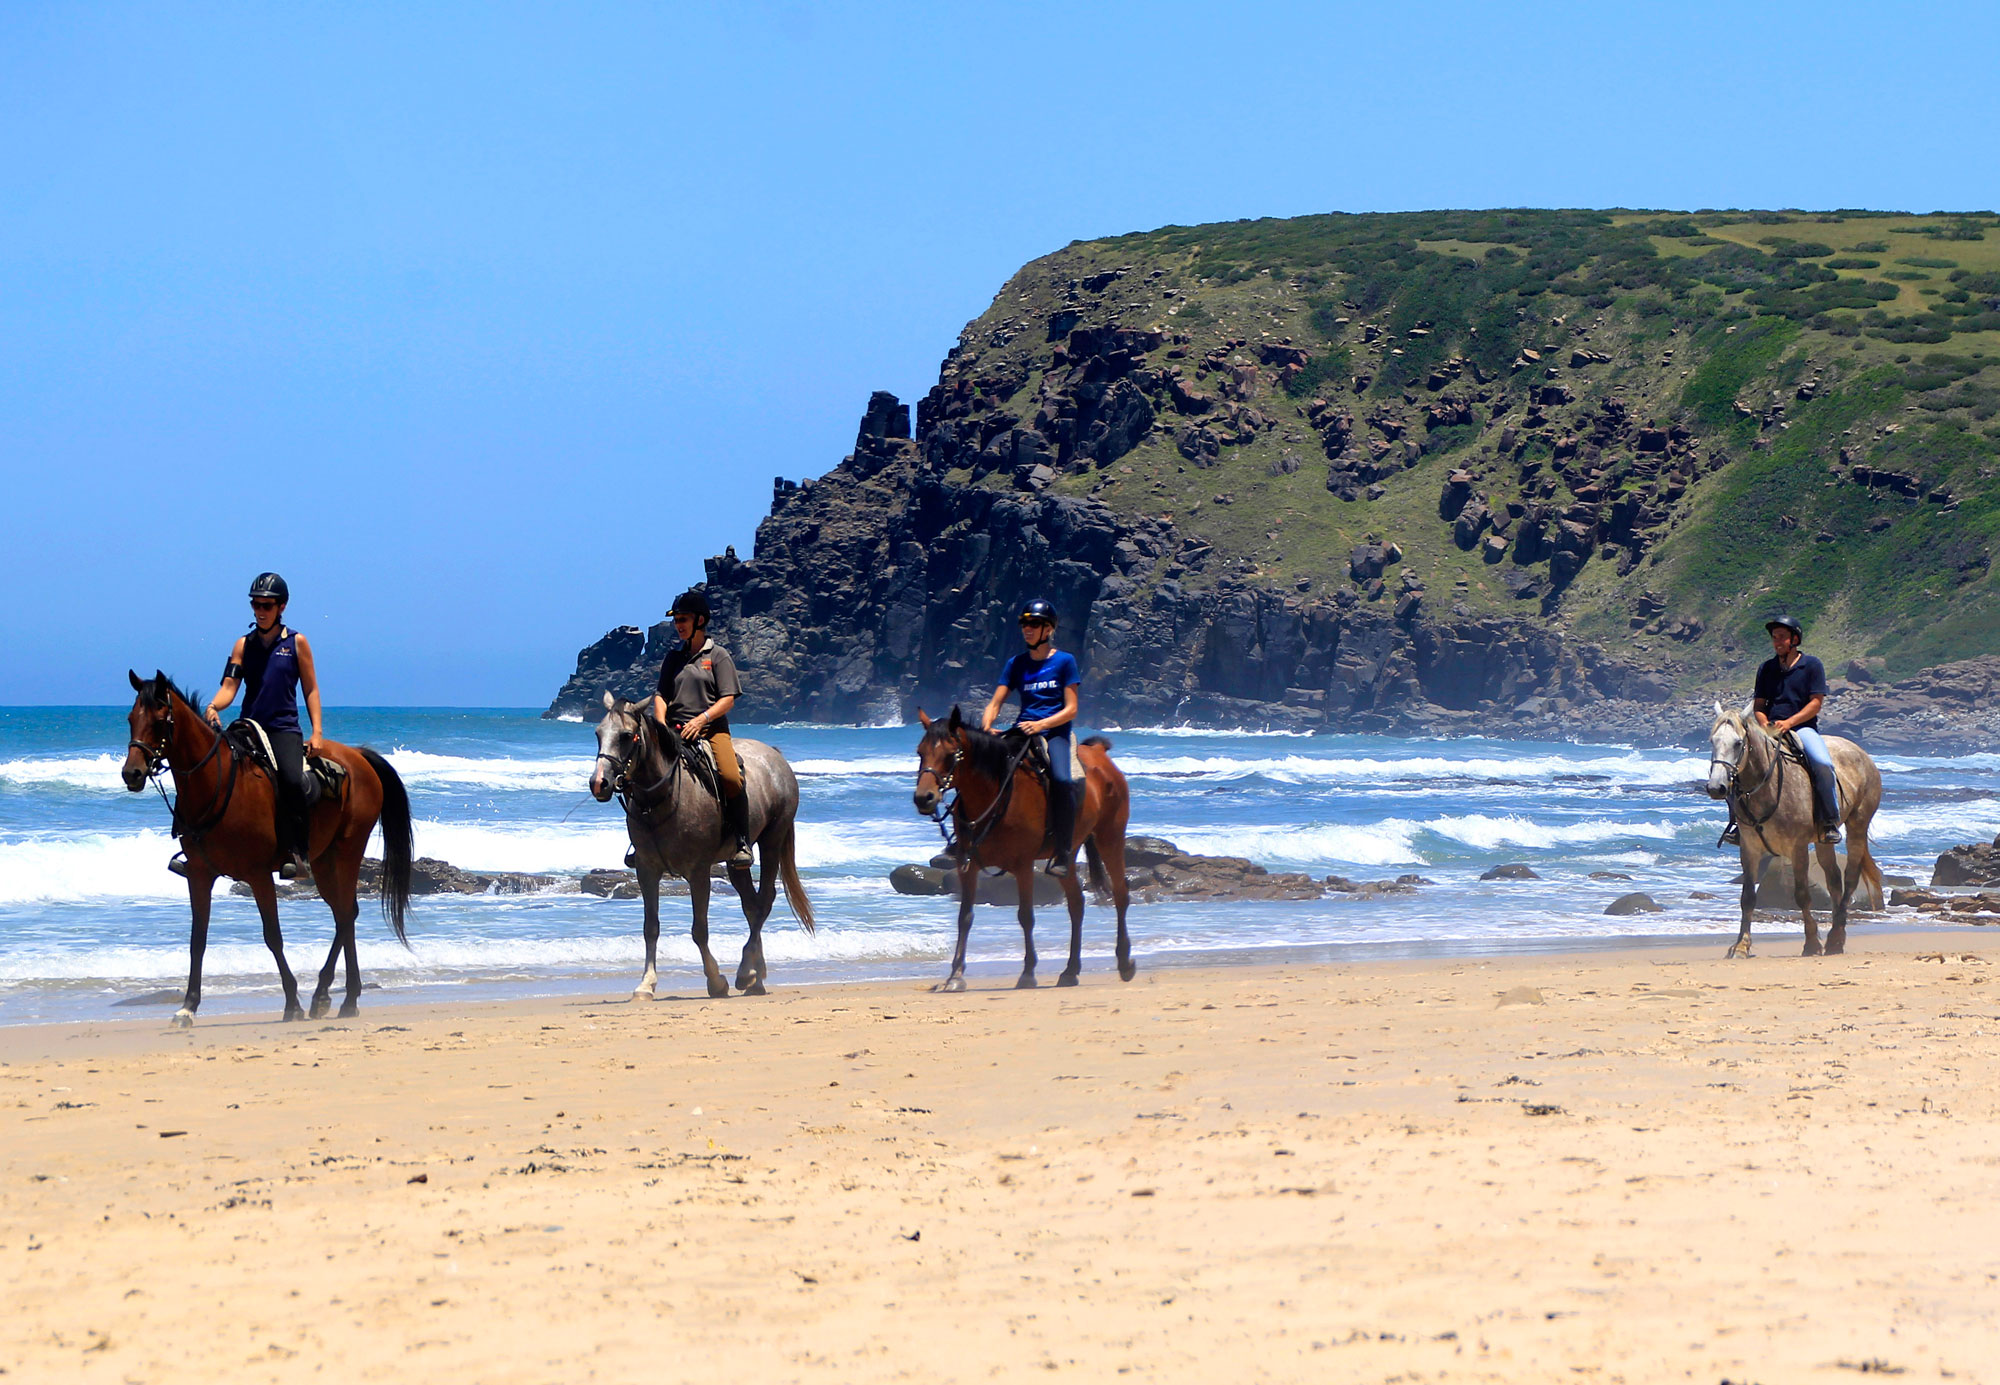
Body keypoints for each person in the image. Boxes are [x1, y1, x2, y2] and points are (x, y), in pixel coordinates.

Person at [193, 572, 324, 879]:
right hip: (248, 726)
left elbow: (310, 689)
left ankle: (297, 852)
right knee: (208, 770)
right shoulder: (243, 645)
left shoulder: (296, 643)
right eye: (256, 604)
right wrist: (213, 706)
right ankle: (196, 848)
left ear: (282, 607)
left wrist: (317, 732)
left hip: (283, 728)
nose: (260, 611)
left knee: (291, 779)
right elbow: (230, 687)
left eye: (267, 605)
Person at [980, 599, 1082, 877]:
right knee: (983, 770)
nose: (1027, 628)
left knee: (1062, 780)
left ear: (1048, 629)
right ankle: (974, 838)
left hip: (1054, 732)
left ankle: (1063, 852)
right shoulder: (1016, 664)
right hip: (1022, 730)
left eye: (1034, 624)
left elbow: (1072, 709)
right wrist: (987, 726)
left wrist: (1041, 724)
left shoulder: (1065, 661)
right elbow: (995, 702)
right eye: (1024, 623)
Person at [1721, 614, 1840, 847]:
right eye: (1775, 637)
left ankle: (1829, 821)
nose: (1777, 642)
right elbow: (1759, 705)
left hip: (1802, 728)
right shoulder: (1766, 668)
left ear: (1795, 639)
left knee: (1823, 764)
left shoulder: (1812, 665)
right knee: (1736, 765)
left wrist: (1790, 723)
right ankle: (1737, 823)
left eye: (1782, 637)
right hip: (1769, 729)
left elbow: (1815, 703)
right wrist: (1765, 723)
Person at [654, 590, 753, 869]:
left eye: (683, 619)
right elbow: (661, 695)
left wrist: (701, 720)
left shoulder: (718, 656)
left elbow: (728, 699)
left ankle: (741, 841)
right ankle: (643, 842)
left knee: (731, 777)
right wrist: (660, 725)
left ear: (699, 620)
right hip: (674, 729)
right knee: (643, 770)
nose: (678, 625)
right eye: (676, 621)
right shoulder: (673, 658)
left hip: (711, 730)